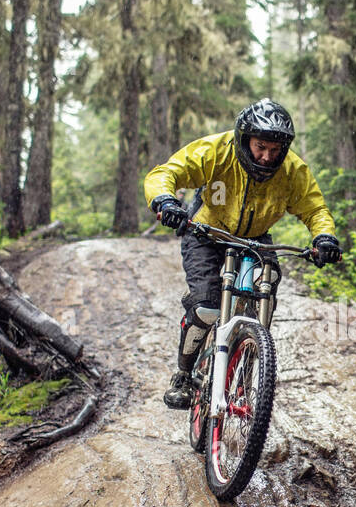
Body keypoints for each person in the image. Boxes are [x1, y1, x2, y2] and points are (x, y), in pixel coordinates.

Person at [144, 98, 341, 408]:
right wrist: (165, 202)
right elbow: (166, 173)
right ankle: (183, 374)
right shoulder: (216, 151)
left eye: (275, 151)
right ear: (244, 138)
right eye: (260, 146)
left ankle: (250, 360)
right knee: (206, 308)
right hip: (207, 232)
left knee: (267, 283)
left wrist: (324, 236)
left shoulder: (292, 170)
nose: (266, 157)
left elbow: (314, 208)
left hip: (255, 239)